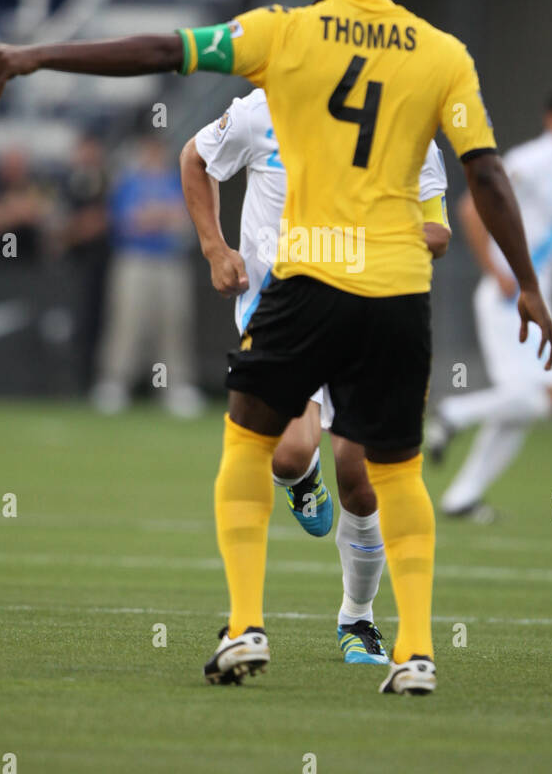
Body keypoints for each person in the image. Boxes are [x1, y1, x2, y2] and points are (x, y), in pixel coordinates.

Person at [0, 0, 552, 700]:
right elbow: (485, 171)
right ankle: (415, 653)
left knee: (248, 445)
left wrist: (40, 54)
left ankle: (247, 627)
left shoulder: (284, 32)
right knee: (397, 470)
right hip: (393, 292)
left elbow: (160, 49)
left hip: (308, 277)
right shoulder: (442, 54)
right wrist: (527, 283)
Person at [181, 85, 451, 665]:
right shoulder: (265, 108)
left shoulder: (404, 115)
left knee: (360, 471)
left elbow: (437, 230)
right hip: (282, 316)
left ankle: (358, 619)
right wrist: (214, 248)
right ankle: (301, 484)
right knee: (285, 454)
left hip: (367, 312)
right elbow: (197, 157)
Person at [427, 88, 552, 521]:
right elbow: (471, 207)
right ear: (551, 118)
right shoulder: (532, 160)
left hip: (538, 299)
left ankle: (461, 492)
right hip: (506, 300)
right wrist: (493, 269)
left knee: (541, 401)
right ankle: (453, 413)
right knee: (550, 396)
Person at [92, 133, 204, 418]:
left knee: (174, 321)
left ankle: (175, 386)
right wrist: (160, 217)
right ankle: (115, 382)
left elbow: (184, 223)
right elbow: (128, 223)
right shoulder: (129, 182)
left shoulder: (176, 180)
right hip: (135, 259)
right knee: (128, 320)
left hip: (169, 260)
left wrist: (154, 217)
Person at [57, 134, 111, 393]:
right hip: (74, 268)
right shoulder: (67, 184)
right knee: (76, 324)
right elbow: (58, 231)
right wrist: (81, 228)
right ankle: (74, 383)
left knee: (102, 325)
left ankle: (96, 382)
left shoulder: (108, 182)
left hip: (105, 266)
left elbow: (110, 220)